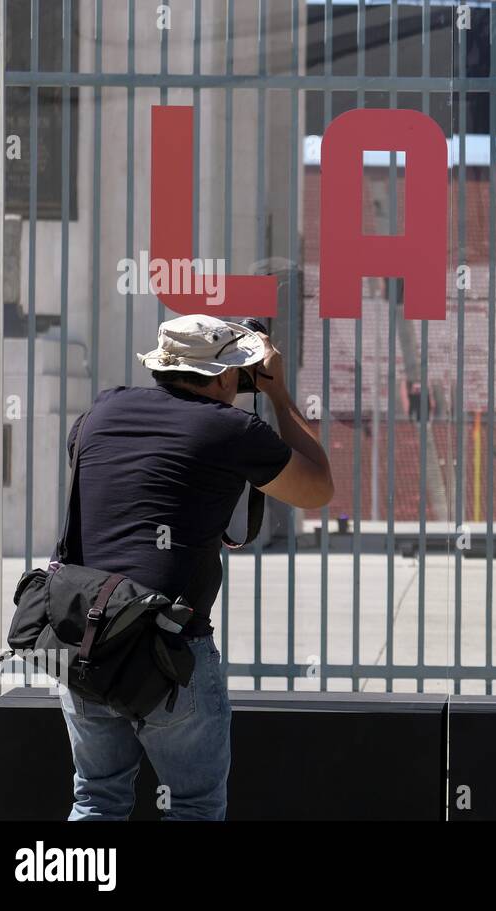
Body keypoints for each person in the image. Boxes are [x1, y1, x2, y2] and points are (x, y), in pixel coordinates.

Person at [56, 313, 334, 820]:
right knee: (194, 806)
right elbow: (318, 486)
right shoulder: (230, 429)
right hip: (169, 651)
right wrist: (276, 392)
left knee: (96, 798)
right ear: (228, 375)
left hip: (86, 643)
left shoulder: (102, 411)